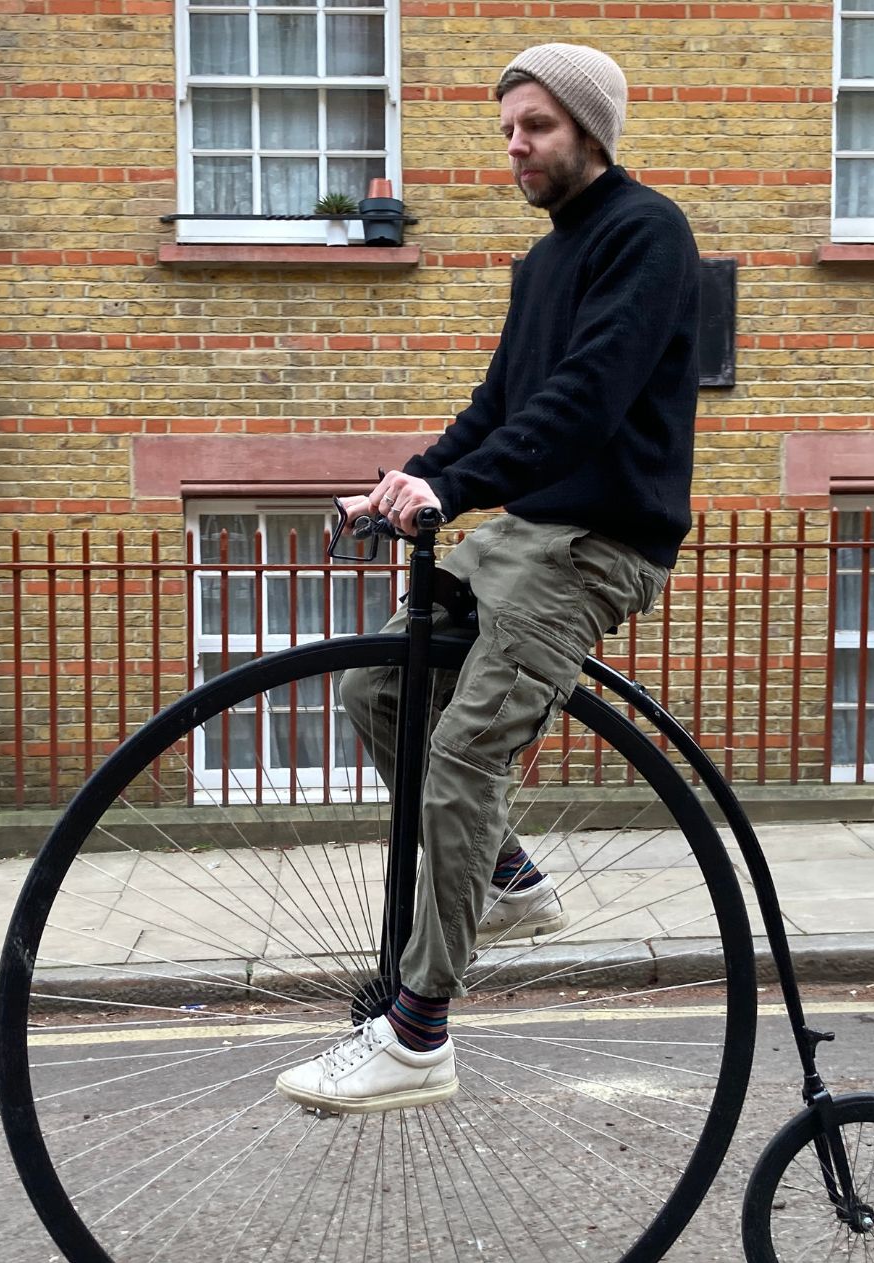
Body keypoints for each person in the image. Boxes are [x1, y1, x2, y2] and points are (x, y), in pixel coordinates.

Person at [274, 43, 702, 1113]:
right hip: (526, 532)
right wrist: (408, 480)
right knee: (376, 689)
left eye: (537, 127)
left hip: (597, 545)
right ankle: (505, 876)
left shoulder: (646, 235)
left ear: (591, 131)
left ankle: (417, 1035)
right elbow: (500, 406)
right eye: (507, 128)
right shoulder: (541, 260)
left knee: (465, 750)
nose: (515, 146)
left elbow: (584, 402)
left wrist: (454, 488)